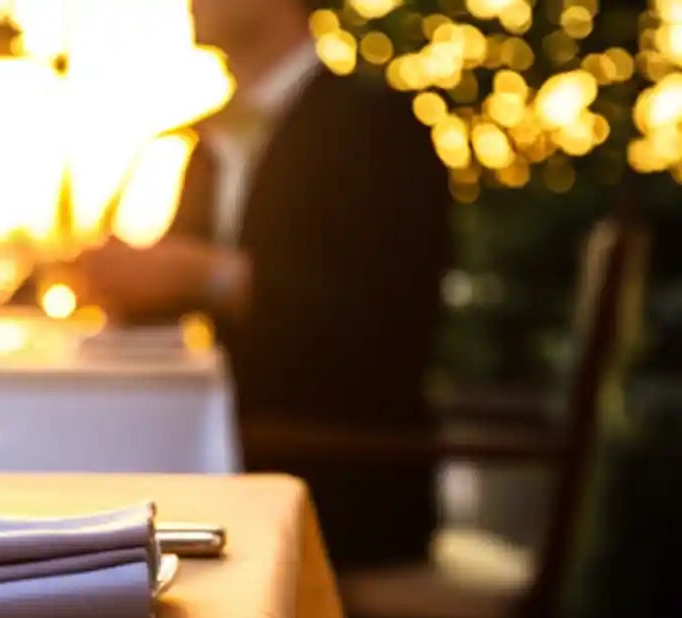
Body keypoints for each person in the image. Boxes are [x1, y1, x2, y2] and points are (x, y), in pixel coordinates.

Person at [80, 0, 452, 567]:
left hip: (336, 484)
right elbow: (184, 300)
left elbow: (386, 325)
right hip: (233, 470)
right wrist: (134, 284)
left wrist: (212, 276)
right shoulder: (206, 142)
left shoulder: (380, 126)